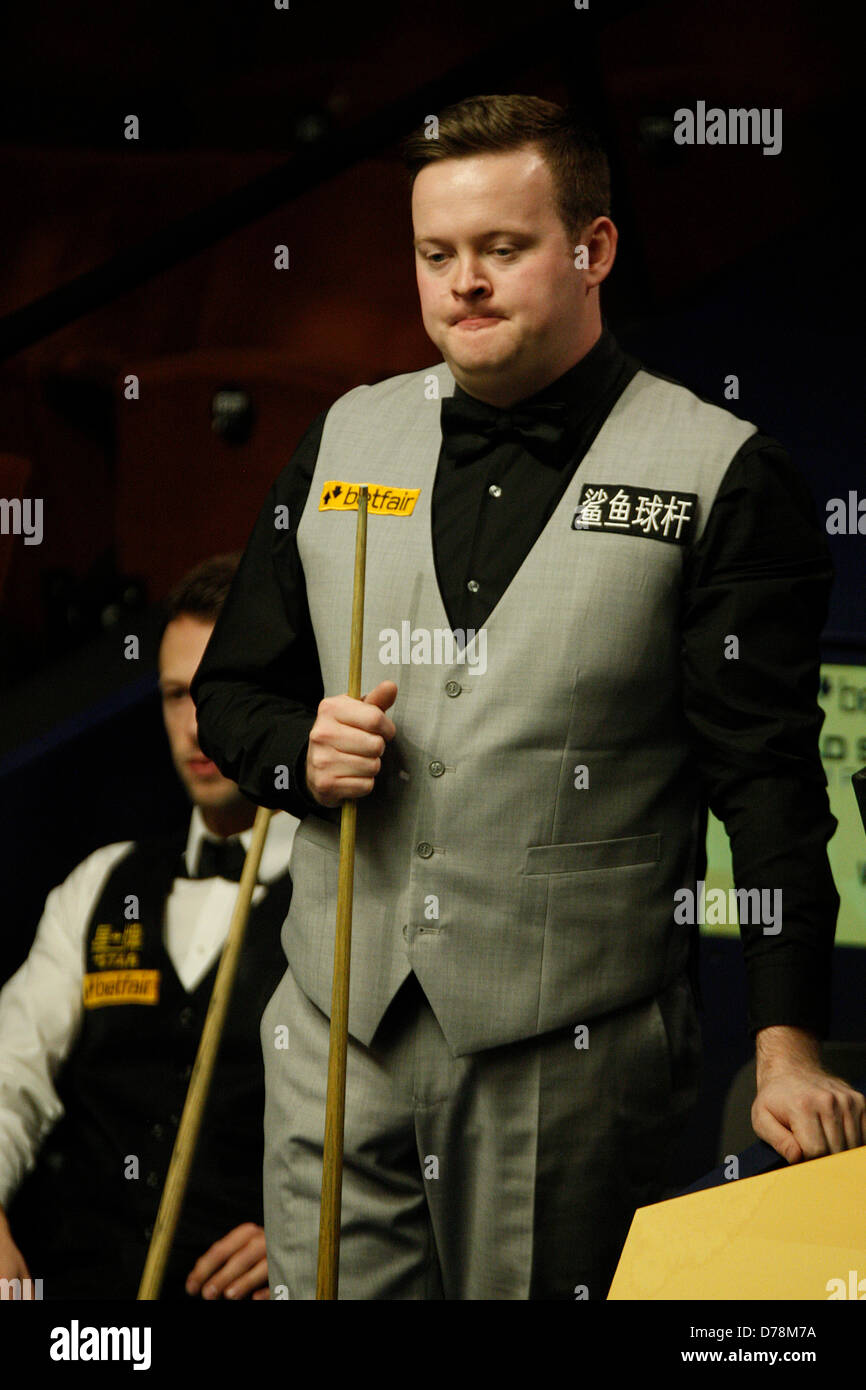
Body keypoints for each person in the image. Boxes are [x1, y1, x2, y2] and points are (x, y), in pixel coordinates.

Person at [191, 95, 866, 1300]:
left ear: (590, 250)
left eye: (500, 249)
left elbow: (765, 786)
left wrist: (784, 1045)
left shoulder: (718, 472)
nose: (463, 284)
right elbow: (236, 692)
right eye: (434, 255)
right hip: (332, 1035)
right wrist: (298, 753)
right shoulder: (346, 435)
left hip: (567, 1051)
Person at [0, 554, 298, 1300]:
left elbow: (413, 1130)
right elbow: (10, 1077)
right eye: (175, 695)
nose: (199, 723)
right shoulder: (100, 883)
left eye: (222, 691)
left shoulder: (346, 897)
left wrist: (313, 1227)